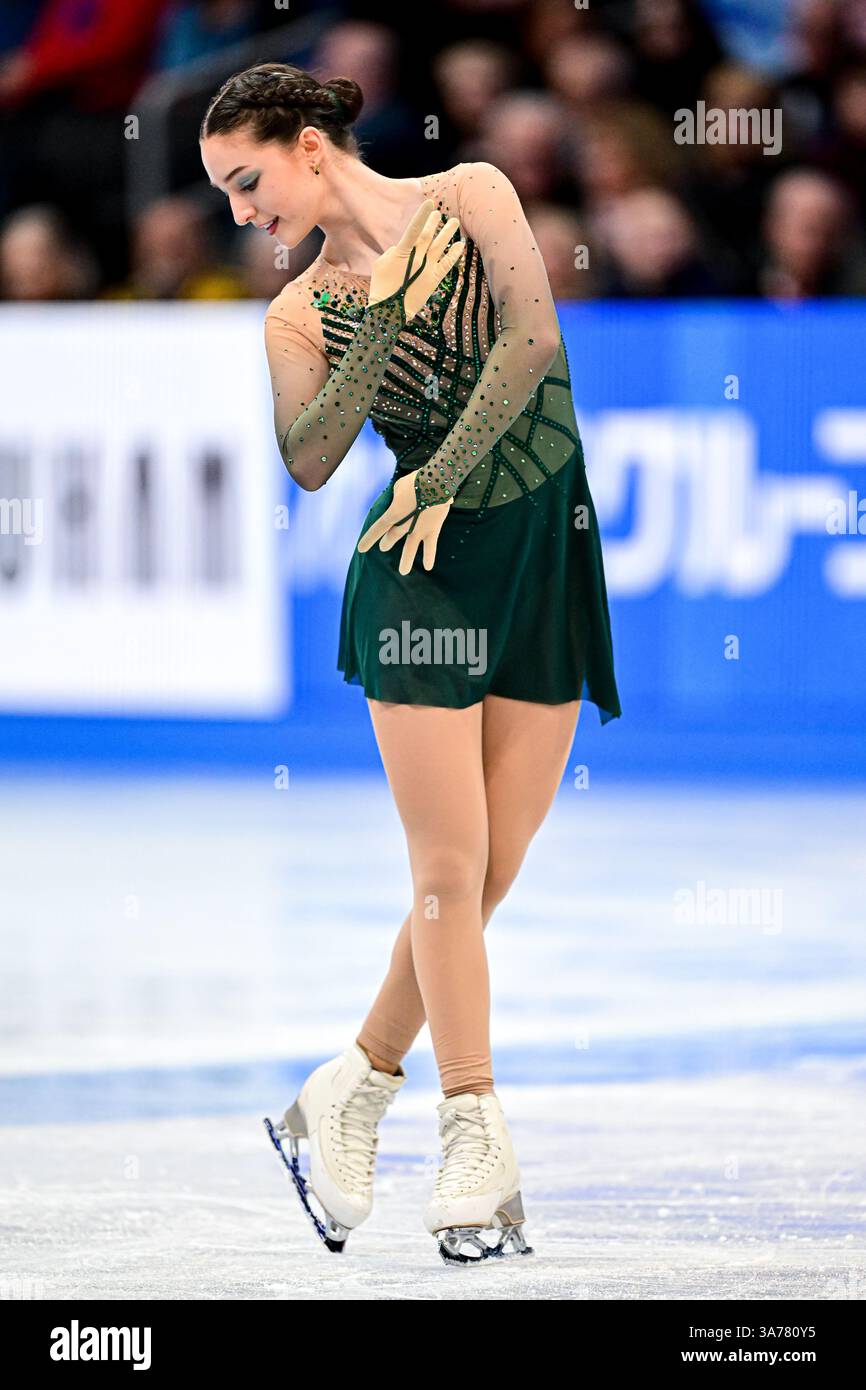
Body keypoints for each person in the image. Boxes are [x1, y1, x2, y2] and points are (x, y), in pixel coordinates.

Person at [200, 61, 622, 1265]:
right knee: (447, 861)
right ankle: (471, 1130)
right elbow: (312, 458)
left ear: (311, 148)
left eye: (248, 182)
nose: (240, 214)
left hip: (539, 547)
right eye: (226, 196)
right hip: (416, 581)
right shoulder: (296, 312)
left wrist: (440, 474)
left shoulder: (471, 195)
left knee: (493, 866)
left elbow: (534, 343)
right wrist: (374, 325)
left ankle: (350, 1086)